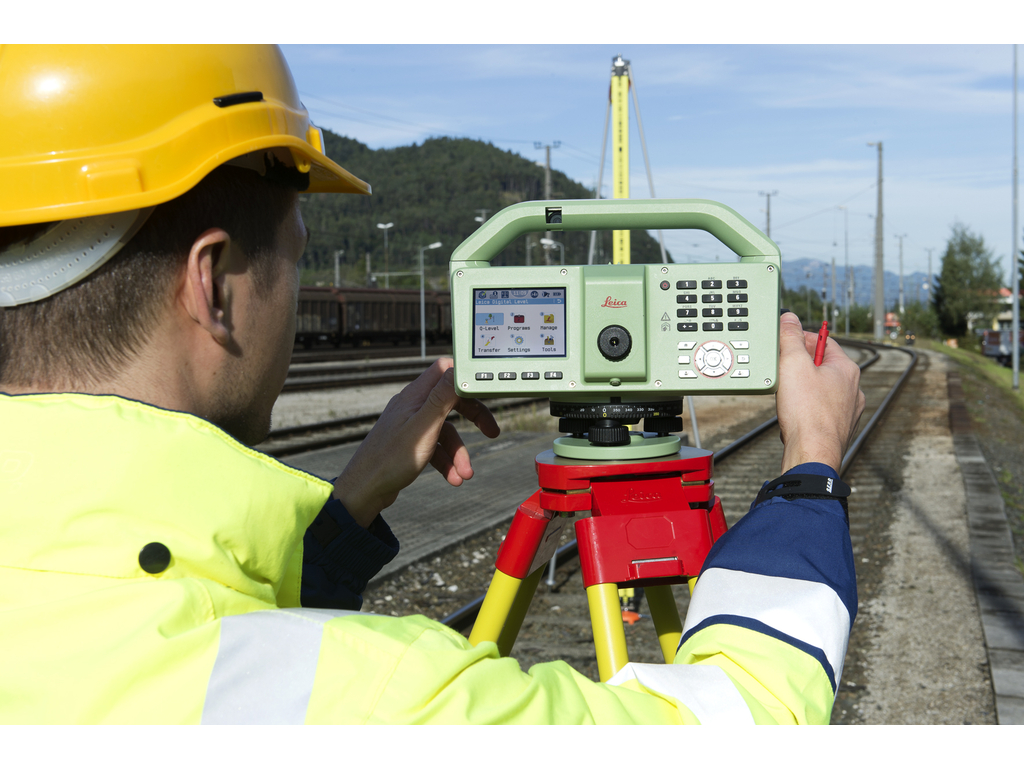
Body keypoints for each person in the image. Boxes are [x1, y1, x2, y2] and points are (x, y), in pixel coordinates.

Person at [0, 45, 864, 724]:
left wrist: (346, 514)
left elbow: (201, 625)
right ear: (214, 283)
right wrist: (812, 467)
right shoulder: (383, 698)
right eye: (298, 255)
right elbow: (744, 723)